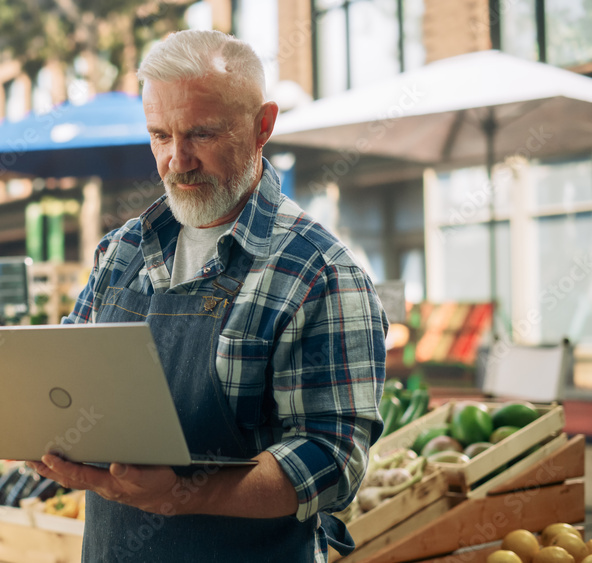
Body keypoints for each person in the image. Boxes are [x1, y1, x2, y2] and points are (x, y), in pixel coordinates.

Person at [26, 29, 388, 562]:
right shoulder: (122, 251)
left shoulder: (320, 273)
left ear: (263, 125)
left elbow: (331, 459)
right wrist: (44, 429)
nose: (177, 159)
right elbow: (69, 379)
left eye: (201, 134)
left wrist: (180, 496)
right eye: (160, 136)